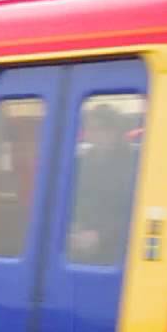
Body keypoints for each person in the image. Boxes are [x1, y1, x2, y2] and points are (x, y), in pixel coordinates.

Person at [68, 104, 141, 265]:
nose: (93, 135)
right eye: (90, 129)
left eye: (99, 129)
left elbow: (136, 211)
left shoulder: (134, 163)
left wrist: (100, 236)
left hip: (117, 253)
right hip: (81, 249)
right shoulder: (83, 161)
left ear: (115, 132)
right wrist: (74, 225)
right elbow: (75, 199)